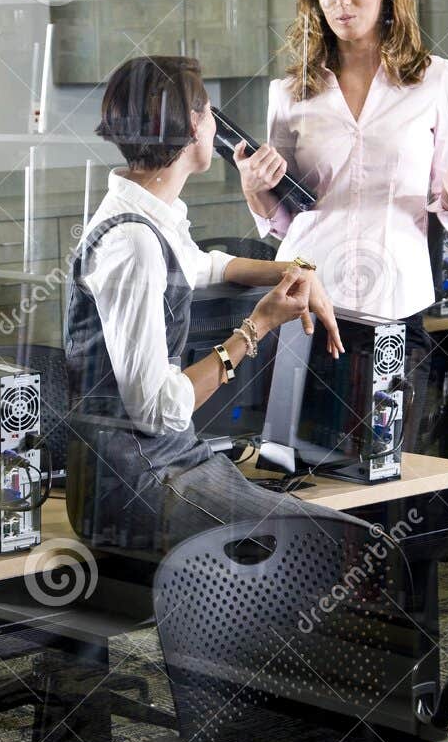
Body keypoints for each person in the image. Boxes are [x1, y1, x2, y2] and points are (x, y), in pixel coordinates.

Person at [64, 55, 344, 558]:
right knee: (328, 546)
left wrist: (295, 268)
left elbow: (202, 265)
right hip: (138, 487)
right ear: (195, 127)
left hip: (172, 466)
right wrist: (255, 329)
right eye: (211, 113)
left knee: (330, 535)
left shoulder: (146, 217)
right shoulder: (134, 243)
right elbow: (159, 411)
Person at [236, 0, 448, 448]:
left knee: (387, 471)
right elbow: (280, 218)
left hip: (394, 306)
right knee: (299, 470)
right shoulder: (290, 92)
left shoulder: (439, 80)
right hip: (304, 303)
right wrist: (252, 184)